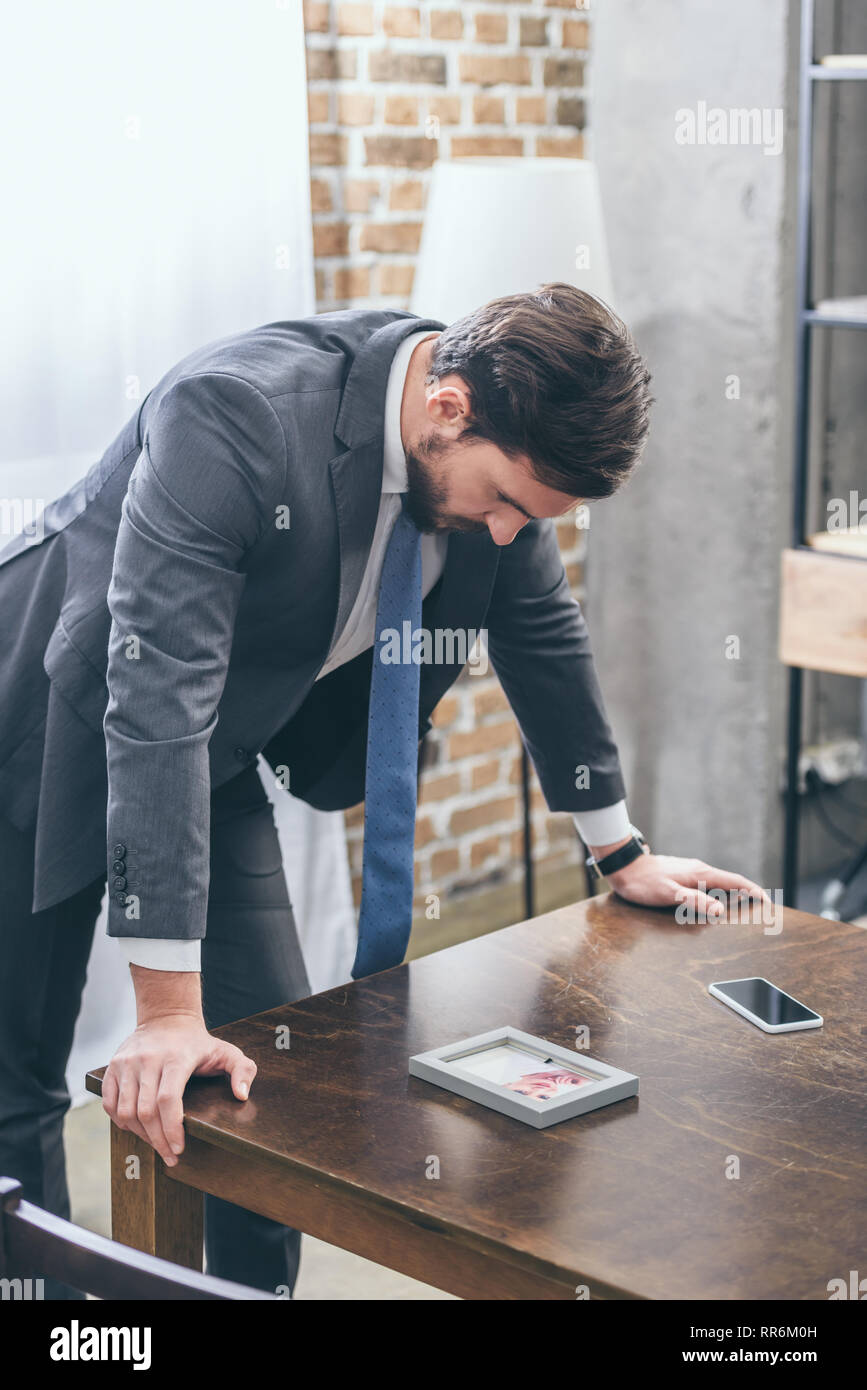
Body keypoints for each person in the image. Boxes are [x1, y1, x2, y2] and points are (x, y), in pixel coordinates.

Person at [0, 283, 765, 1295]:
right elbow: (155, 704)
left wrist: (620, 850)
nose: (506, 532)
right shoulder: (236, 417)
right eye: (503, 501)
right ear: (446, 407)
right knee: (19, 1083)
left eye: (529, 517)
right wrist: (165, 1008)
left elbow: (543, 638)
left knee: (264, 1067)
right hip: (50, 703)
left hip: (213, 735)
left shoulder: (498, 451)